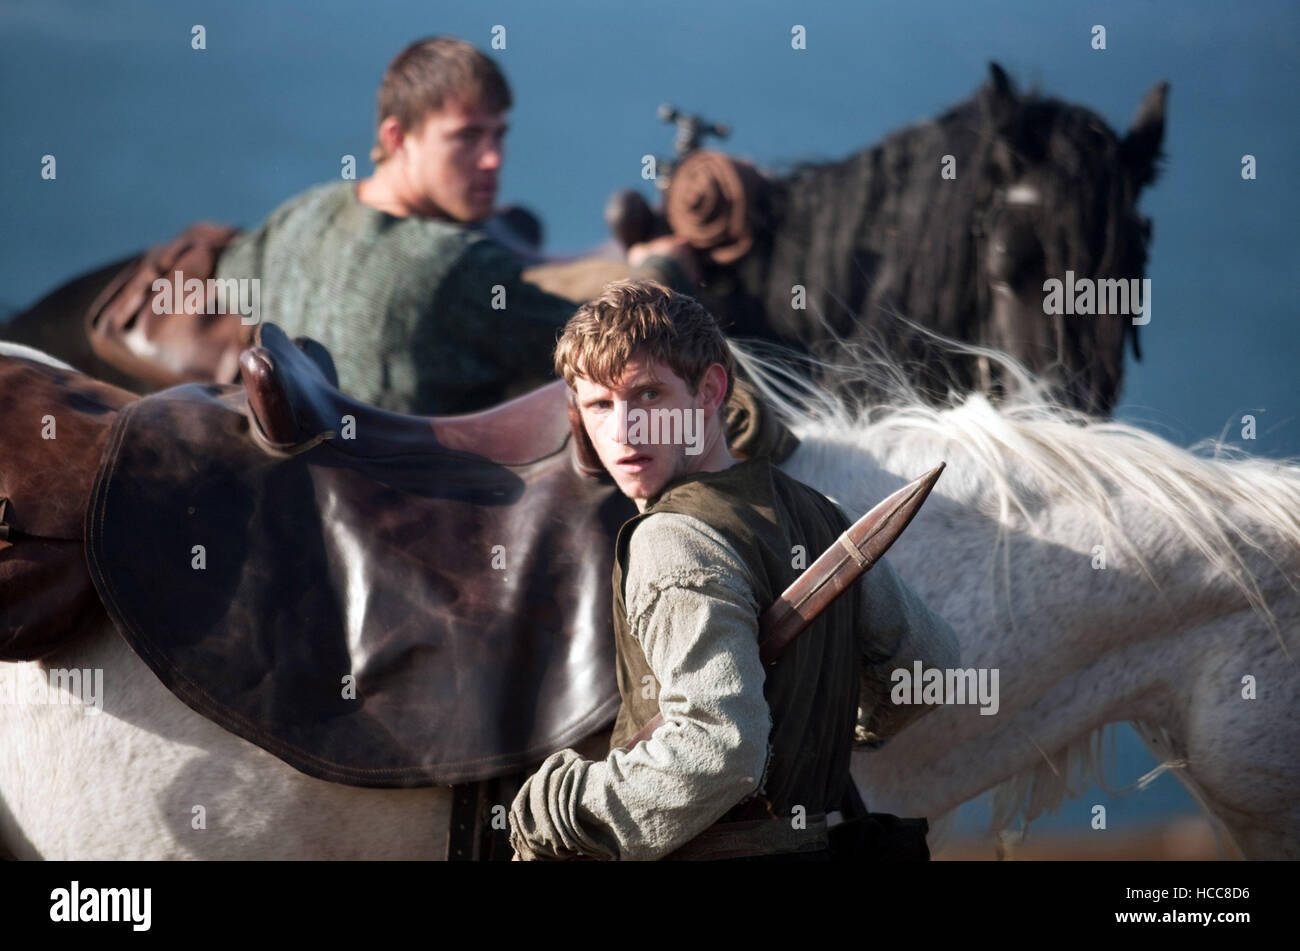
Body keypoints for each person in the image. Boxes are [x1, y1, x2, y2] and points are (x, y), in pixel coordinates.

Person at [507, 279, 959, 861]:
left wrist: (567, 811)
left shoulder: (670, 539)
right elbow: (930, 668)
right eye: (599, 405)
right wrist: (804, 727)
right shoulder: (823, 515)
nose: (623, 430)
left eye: (648, 395)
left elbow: (718, 748)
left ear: (710, 390)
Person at [214, 36, 696, 414]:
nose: (493, 159)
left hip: (295, 491)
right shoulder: (451, 265)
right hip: (410, 503)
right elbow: (611, 349)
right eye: (467, 136)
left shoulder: (297, 214)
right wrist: (662, 269)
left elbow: (231, 278)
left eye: (499, 135)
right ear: (397, 138)